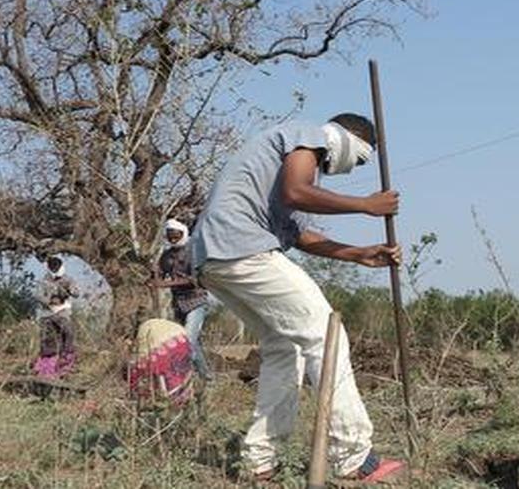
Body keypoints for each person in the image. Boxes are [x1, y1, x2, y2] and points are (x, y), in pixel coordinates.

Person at [190, 113, 404, 483]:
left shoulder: (296, 166)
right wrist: (365, 205)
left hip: (215, 256)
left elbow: (300, 235)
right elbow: (296, 192)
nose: (353, 170)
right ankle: (354, 457)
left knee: (284, 347)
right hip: (243, 247)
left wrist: (359, 254)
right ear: (347, 139)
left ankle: (259, 461)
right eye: (361, 159)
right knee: (325, 333)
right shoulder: (309, 136)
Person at [151, 218, 213, 380]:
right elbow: (159, 272)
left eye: (175, 235)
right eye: (170, 235)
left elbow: (194, 279)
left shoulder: (193, 252)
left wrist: (165, 283)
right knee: (193, 343)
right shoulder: (167, 255)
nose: (172, 238)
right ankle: (207, 378)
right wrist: (154, 274)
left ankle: (179, 376)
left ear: (183, 234)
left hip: (196, 301)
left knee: (186, 341)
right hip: (178, 303)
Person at [127, 318, 197, 402]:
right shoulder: (157, 324)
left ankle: (168, 399)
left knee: (160, 369)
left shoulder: (145, 330)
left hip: (162, 345)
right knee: (181, 370)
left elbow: (140, 362)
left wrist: (133, 386)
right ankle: (184, 396)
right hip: (181, 338)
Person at [34, 256, 79, 378]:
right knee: (48, 340)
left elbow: (76, 293)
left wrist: (69, 290)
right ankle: (47, 369)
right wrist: (49, 301)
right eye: (52, 268)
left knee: (68, 332)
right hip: (47, 312)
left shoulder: (68, 279)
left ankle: (66, 362)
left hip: (63, 311)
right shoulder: (43, 281)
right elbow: (38, 295)